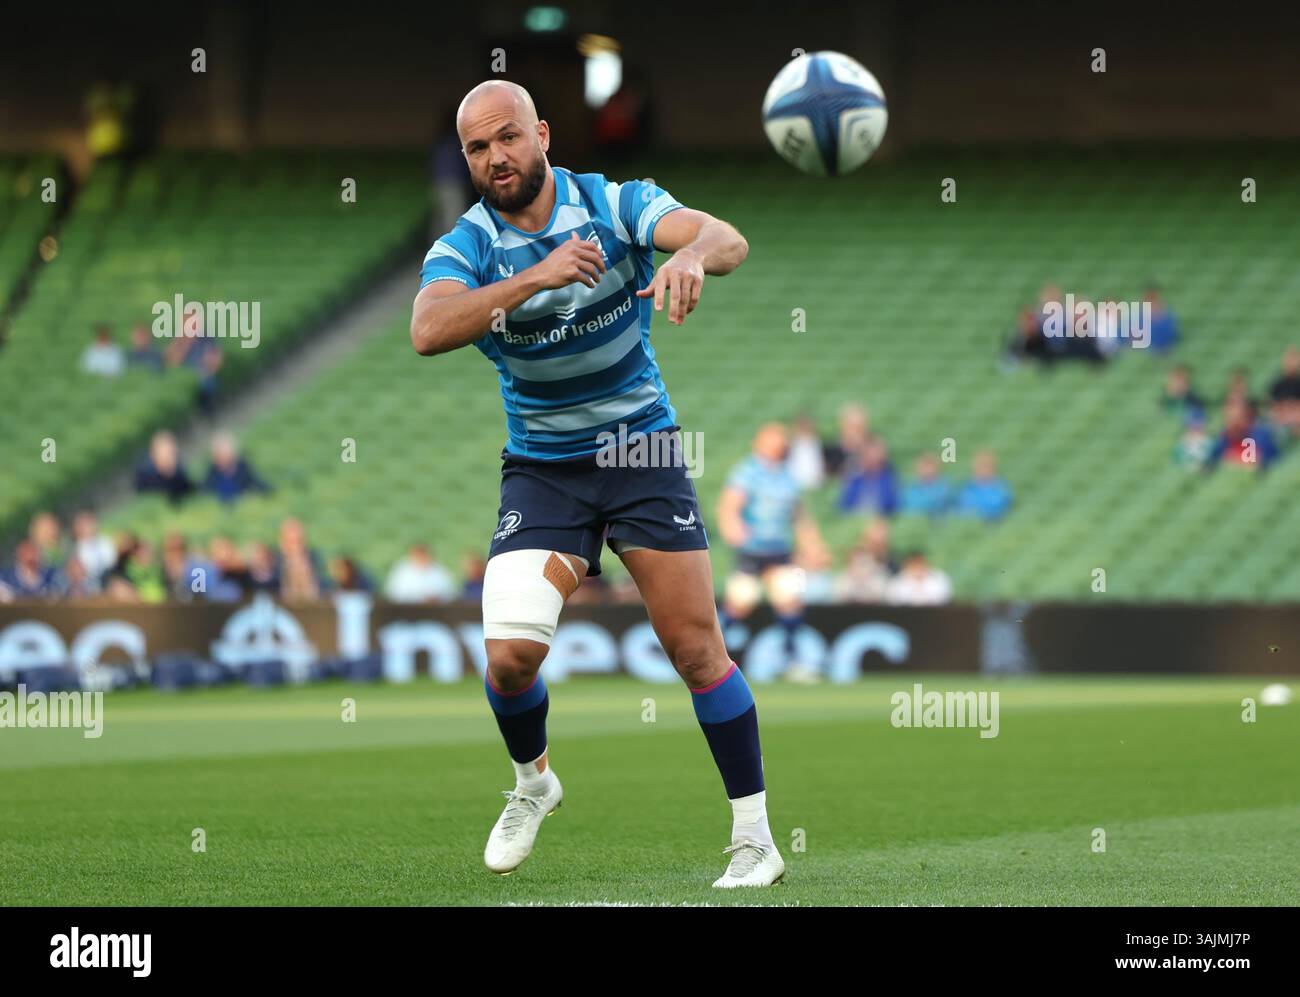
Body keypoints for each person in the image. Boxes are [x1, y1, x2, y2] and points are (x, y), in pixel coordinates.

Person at [409, 80, 779, 887]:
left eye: (507, 137)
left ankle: (755, 837)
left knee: (693, 645)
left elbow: (728, 238)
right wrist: (536, 277)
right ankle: (534, 783)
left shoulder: (614, 205)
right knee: (509, 659)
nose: (496, 158)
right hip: (545, 468)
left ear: (541, 133)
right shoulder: (467, 244)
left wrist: (686, 253)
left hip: (640, 450)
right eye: (477, 148)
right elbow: (428, 328)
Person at [716, 423, 824, 682]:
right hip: (752, 550)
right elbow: (729, 506)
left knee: (790, 603)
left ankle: (792, 660)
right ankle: (710, 657)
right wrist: (733, 528)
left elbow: (799, 515)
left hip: (779, 550)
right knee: (739, 604)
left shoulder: (788, 476)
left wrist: (811, 543)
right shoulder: (746, 472)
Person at [202, 432, 271, 503]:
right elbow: (207, 495)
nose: (223, 459)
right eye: (219, 455)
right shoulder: (211, 475)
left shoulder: (243, 468)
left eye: (226, 454)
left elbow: (260, 485)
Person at [838, 438, 899, 516]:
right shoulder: (855, 480)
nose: (872, 459)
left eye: (875, 456)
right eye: (868, 455)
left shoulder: (890, 479)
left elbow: (893, 506)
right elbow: (843, 505)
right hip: (855, 519)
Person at [135, 430, 194, 504]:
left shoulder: (180, 473)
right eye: (165, 453)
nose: (169, 458)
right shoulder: (146, 477)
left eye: (172, 453)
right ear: (154, 454)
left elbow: (190, 493)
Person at [385, 543, 458, 603]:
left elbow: (450, 594)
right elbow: (394, 595)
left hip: (436, 614)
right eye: (418, 555)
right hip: (406, 614)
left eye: (424, 555)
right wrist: (420, 599)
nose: (421, 558)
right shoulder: (401, 571)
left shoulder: (440, 571)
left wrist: (436, 598)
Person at [953, 450, 1013, 521]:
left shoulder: (1000, 488)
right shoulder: (967, 487)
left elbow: (999, 508)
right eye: (980, 467)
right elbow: (961, 508)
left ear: (993, 468)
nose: (983, 470)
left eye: (986, 466)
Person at [885, 551, 953, 606]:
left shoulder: (939, 578)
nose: (917, 567)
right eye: (914, 564)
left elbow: (943, 599)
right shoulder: (896, 581)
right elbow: (894, 601)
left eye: (920, 563)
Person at [899, 453, 951, 518]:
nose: (926, 470)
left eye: (929, 465)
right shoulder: (909, 491)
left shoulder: (943, 489)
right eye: (923, 466)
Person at [1267, 346, 1300, 438]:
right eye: (1289, 360)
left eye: (1294, 360)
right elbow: (1272, 404)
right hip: (1281, 417)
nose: (1292, 364)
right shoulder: (1277, 384)